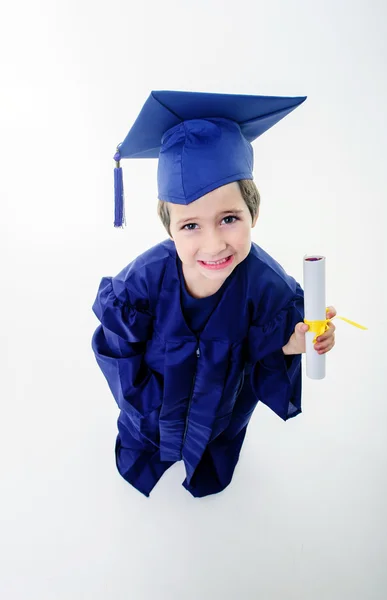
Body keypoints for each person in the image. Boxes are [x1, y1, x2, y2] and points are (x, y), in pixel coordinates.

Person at [91, 90, 336, 498]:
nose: (213, 244)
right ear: (168, 227)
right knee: (143, 446)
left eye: (229, 219)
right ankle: (153, 444)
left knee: (214, 455)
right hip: (150, 417)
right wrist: (149, 412)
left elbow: (264, 357)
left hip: (220, 417)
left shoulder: (269, 286)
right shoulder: (141, 282)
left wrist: (292, 346)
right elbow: (119, 353)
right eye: (190, 226)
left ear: (253, 213)